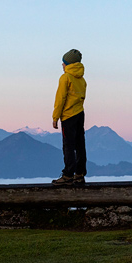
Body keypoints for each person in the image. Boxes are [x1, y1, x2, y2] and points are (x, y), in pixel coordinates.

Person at [52, 48, 87, 184]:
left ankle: (68, 175)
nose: (62, 65)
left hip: (68, 116)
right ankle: (80, 173)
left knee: (68, 146)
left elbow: (60, 99)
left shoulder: (65, 78)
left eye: (64, 62)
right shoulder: (82, 80)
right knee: (80, 145)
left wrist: (55, 117)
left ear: (69, 64)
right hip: (80, 114)